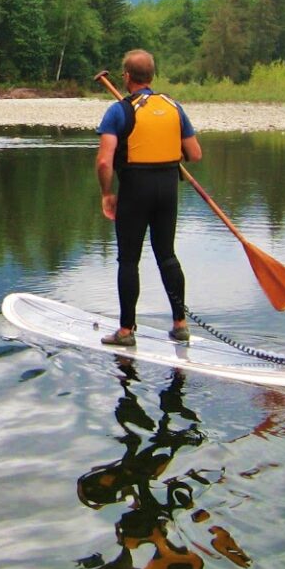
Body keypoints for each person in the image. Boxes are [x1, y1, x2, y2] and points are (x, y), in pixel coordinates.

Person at [95, 49, 202, 346]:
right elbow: (194, 154)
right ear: (152, 77)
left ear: (127, 77)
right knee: (167, 256)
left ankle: (126, 331)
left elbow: (104, 162)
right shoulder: (173, 106)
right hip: (167, 189)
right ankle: (180, 324)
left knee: (129, 260)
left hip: (135, 190)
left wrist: (107, 194)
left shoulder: (119, 111)